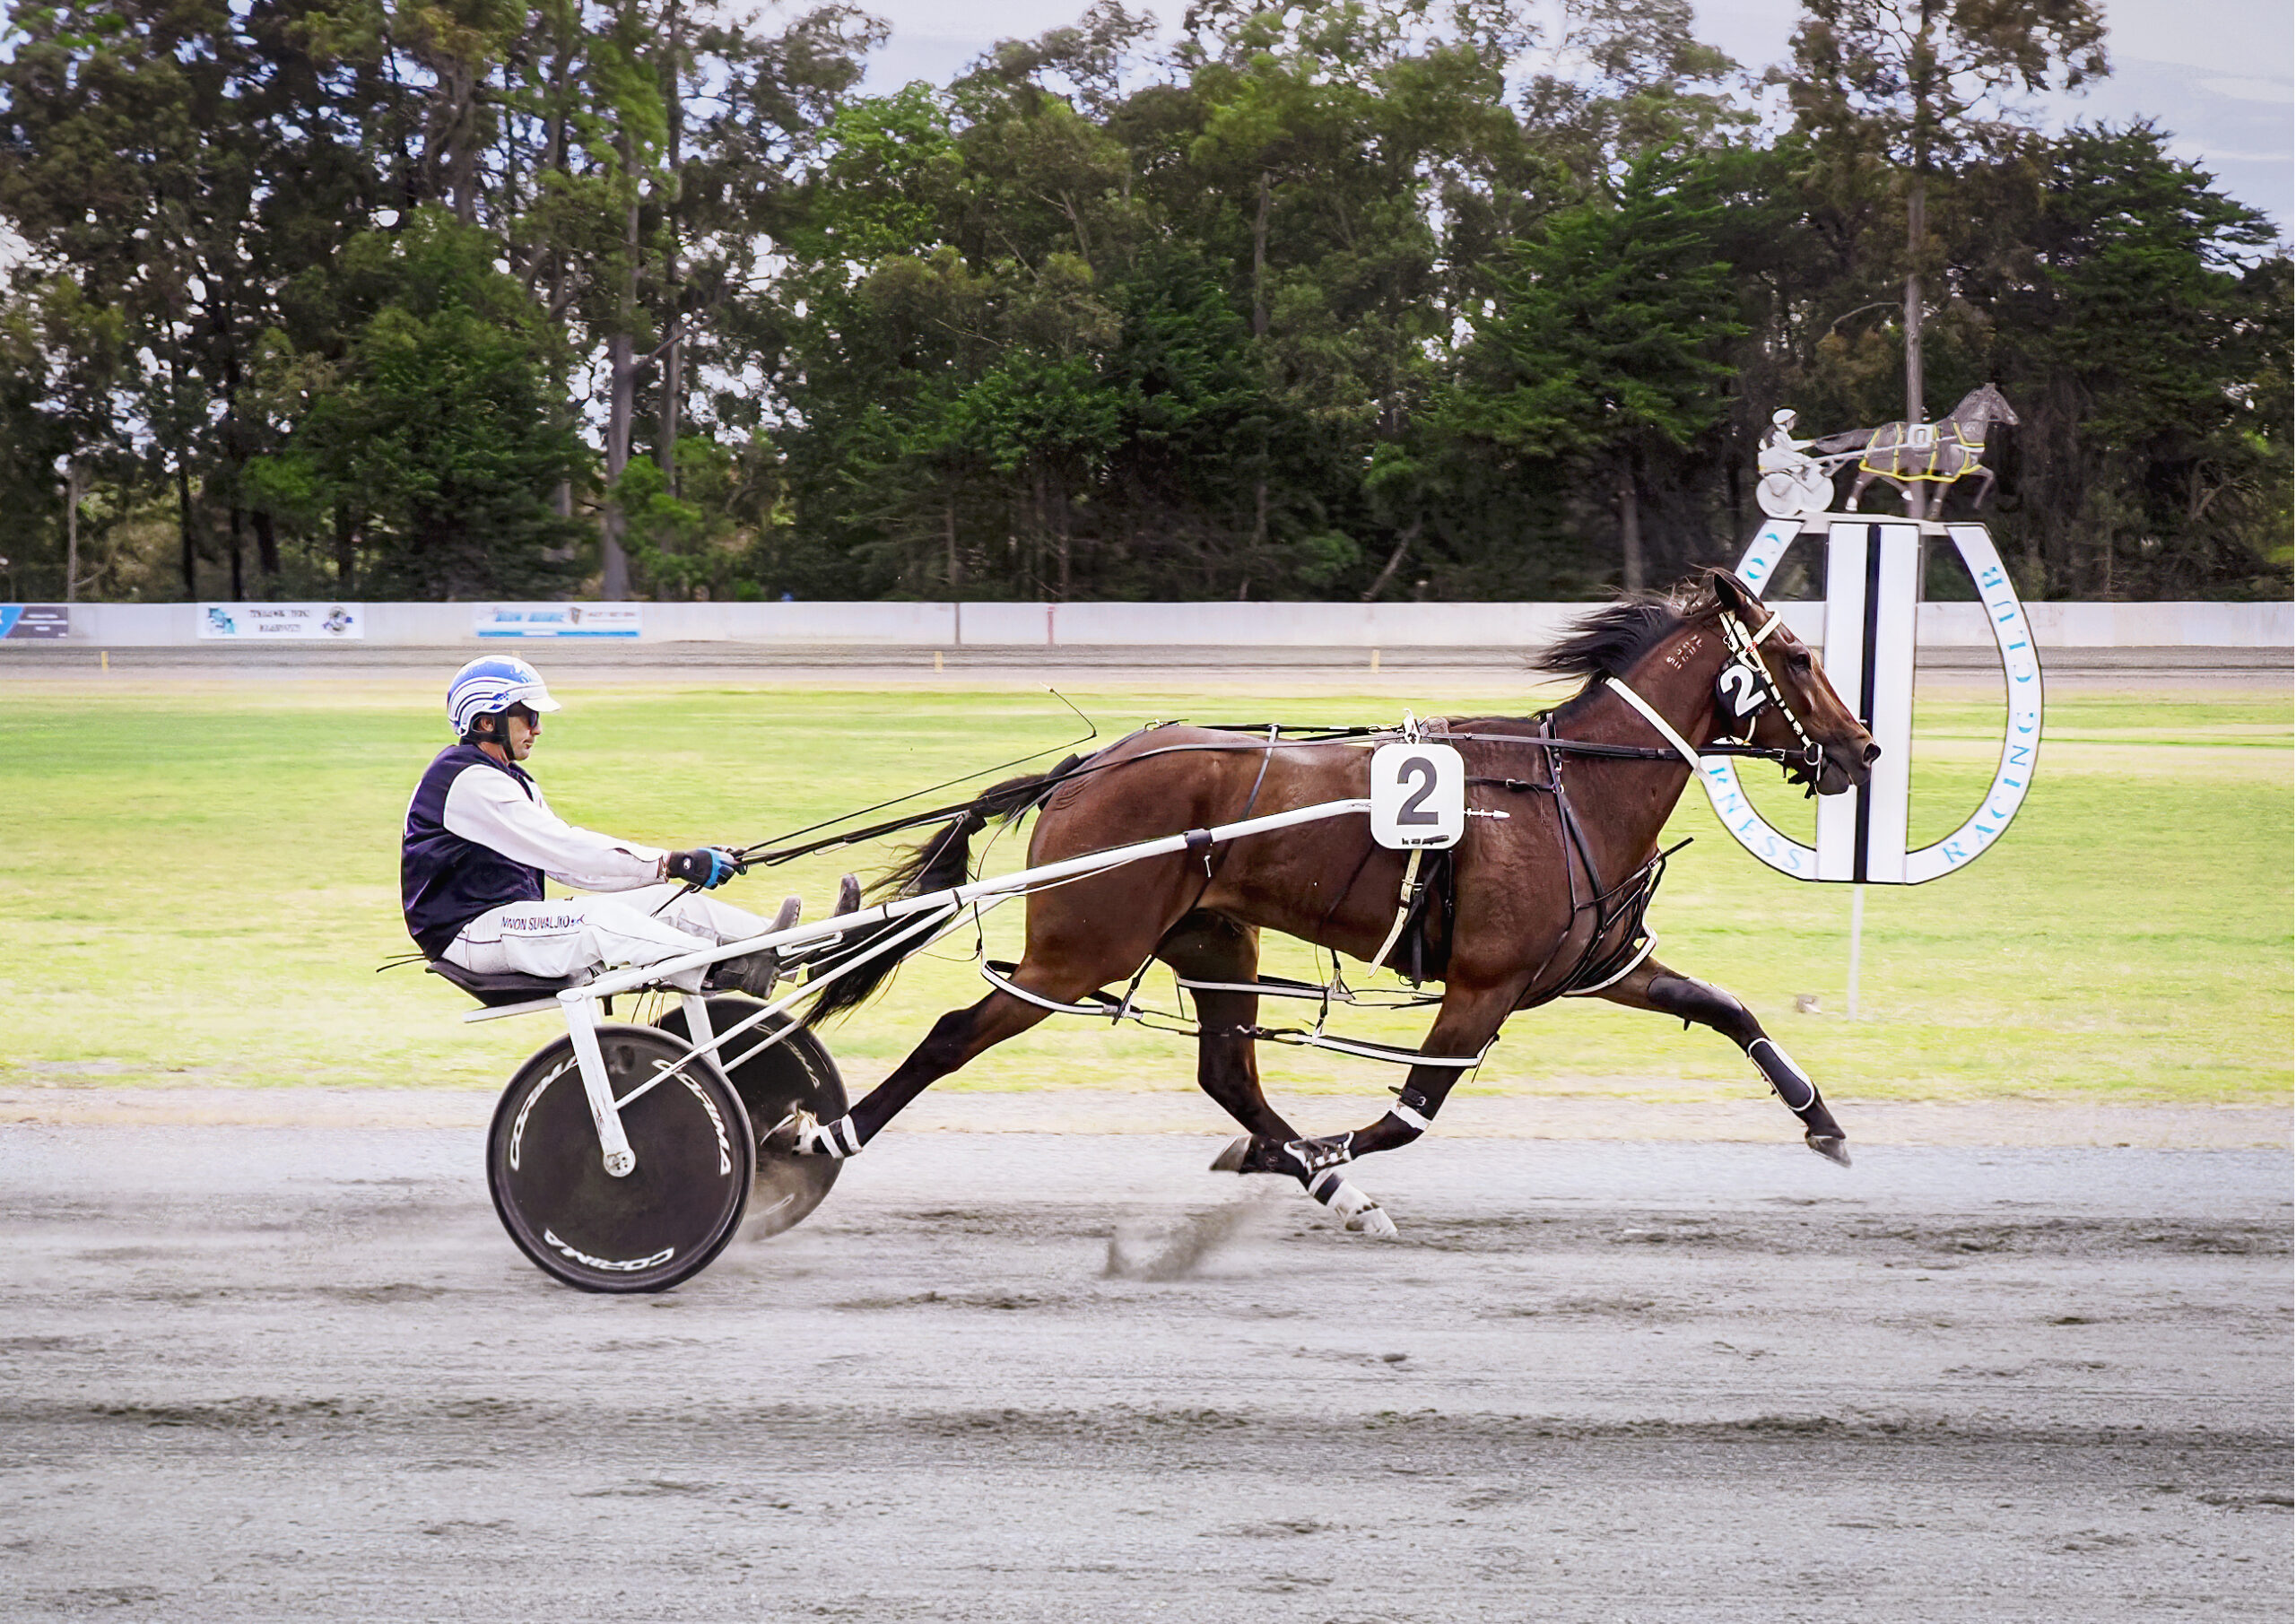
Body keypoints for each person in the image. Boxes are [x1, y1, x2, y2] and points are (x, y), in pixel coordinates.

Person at [403, 656, 807, 996]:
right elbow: (566, 849)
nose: (538, 728)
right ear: (486, 721)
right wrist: (672, 862)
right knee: (602, 922)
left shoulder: (511, 780)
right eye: (527, 716)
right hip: (470, 935)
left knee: (667, 902)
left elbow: (571, 870)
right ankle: (735, 967)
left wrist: (668, 872)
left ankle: (807, 949)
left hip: (508, 922)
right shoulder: (467, 781)